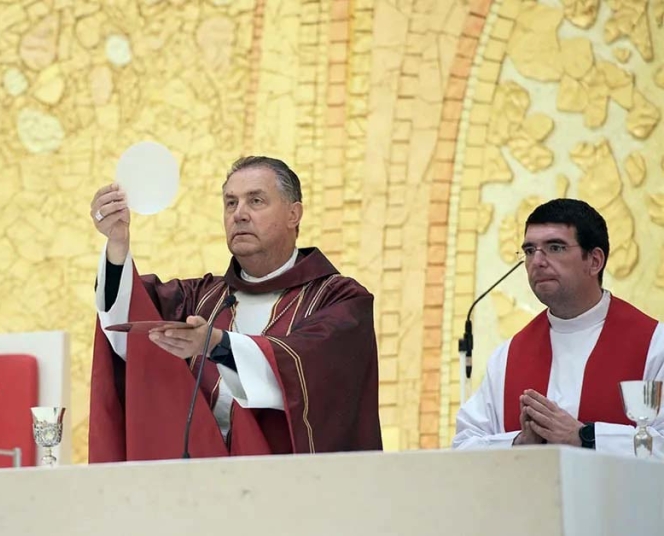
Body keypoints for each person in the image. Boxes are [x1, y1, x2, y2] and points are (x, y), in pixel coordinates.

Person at [87, 156, 382, 461]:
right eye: (230, 203)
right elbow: (129, 329)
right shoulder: (200, 299)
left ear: (294, 214)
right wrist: (118, 243)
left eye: (256, 201)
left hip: (293, 490)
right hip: (197, 487)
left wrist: (217, 345)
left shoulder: (340, 300)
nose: (239, 214)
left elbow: (309, 371)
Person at [454, 199, 664, 453]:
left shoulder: (654, 344)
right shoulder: (508, 356)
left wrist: (586, 437)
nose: (537, 261)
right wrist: (521, 443)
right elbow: (464, 444)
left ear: (595, 260)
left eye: (555, 247)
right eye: (530, 250)